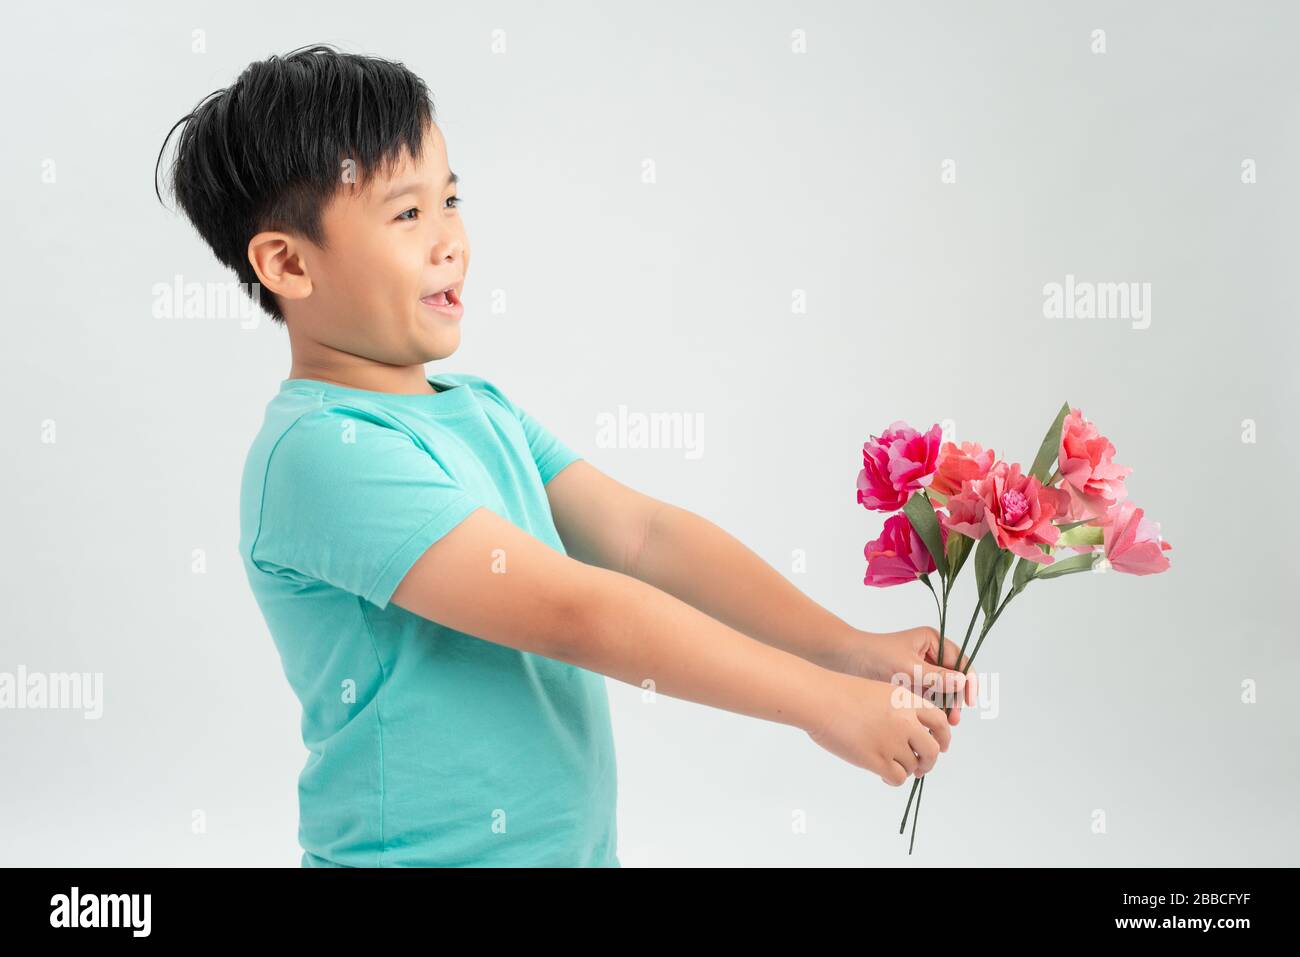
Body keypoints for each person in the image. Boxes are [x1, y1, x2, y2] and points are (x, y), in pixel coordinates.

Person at [155, 43, 974, 867]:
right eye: (407, 215)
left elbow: (645, 537)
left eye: (450, 199)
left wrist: (846, 648)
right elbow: (576, 613)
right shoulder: (320, 453)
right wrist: (820, 702)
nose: (449, 241)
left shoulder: (478, 409)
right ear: (288, 263)